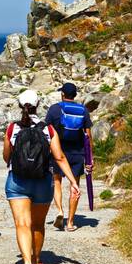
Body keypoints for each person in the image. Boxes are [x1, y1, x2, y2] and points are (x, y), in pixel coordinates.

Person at [2, 88, 79, 264]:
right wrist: (73, 181)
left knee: (22, 224)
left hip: (17, 181)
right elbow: (59, 157)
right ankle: (36, 259)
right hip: (43, 182)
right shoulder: (48, 129)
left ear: (20, 106)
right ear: (37, 105)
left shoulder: (13, 128)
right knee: (37, 224)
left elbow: (6, 157)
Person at [45, 82, 92, 232]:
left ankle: (60, 211)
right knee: (74, 185)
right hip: (78, 153)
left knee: (57, 181)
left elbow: (48, 132)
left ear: (63, 94)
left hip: (59, 153)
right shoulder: (83, 110)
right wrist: (90, 157)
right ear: (75, 95)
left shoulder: (54, 109)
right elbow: (88, 136)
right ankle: (70, 222)